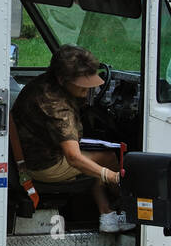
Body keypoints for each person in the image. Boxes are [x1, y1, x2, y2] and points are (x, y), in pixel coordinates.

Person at [10, 44, 131, 233]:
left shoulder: (42, 83)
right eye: (82, 85)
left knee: (95, 158)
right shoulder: (58, 108)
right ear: (62, 79)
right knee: (109, 158)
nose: (87, 89)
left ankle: (106, 214)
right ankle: (118, 213)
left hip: (29, 154)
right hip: (43, 166)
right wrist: (112, 176)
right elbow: (74, 158)